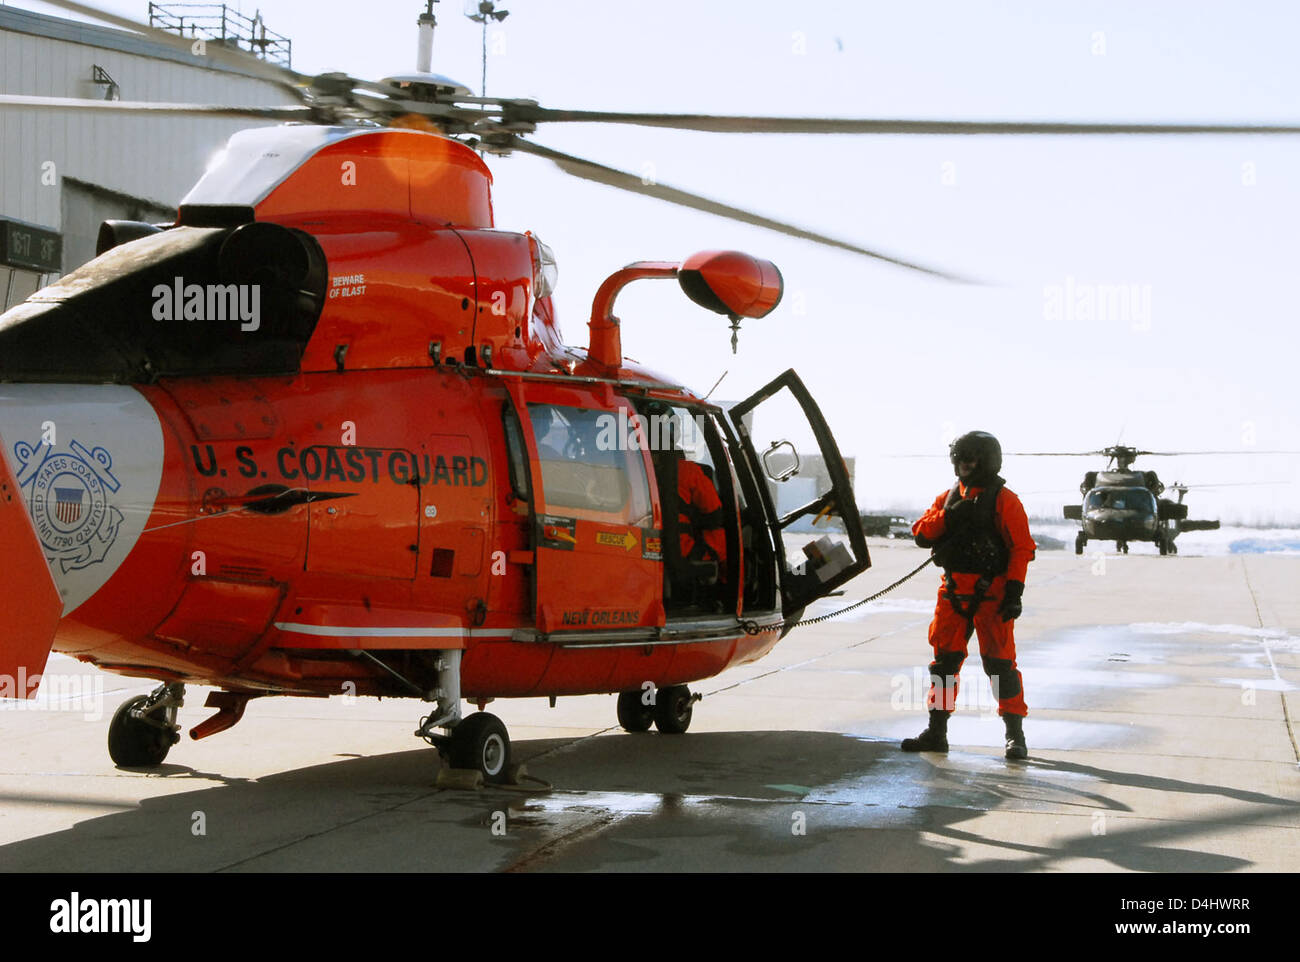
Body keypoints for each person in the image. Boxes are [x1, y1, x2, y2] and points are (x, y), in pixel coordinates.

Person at [903, 431, 1036, 760]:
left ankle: (1014, 734)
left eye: (972, 458)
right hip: (952, 594)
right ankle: (937, 732)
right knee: (944, 665)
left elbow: (1022, 549)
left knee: (1000, 666)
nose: (964, 464)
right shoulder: (947, 499)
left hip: (992, 595)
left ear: (986, 461)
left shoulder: (1006, 500)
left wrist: (1014, 592)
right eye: (960, 457)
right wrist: (950, 515)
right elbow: (921, 532)